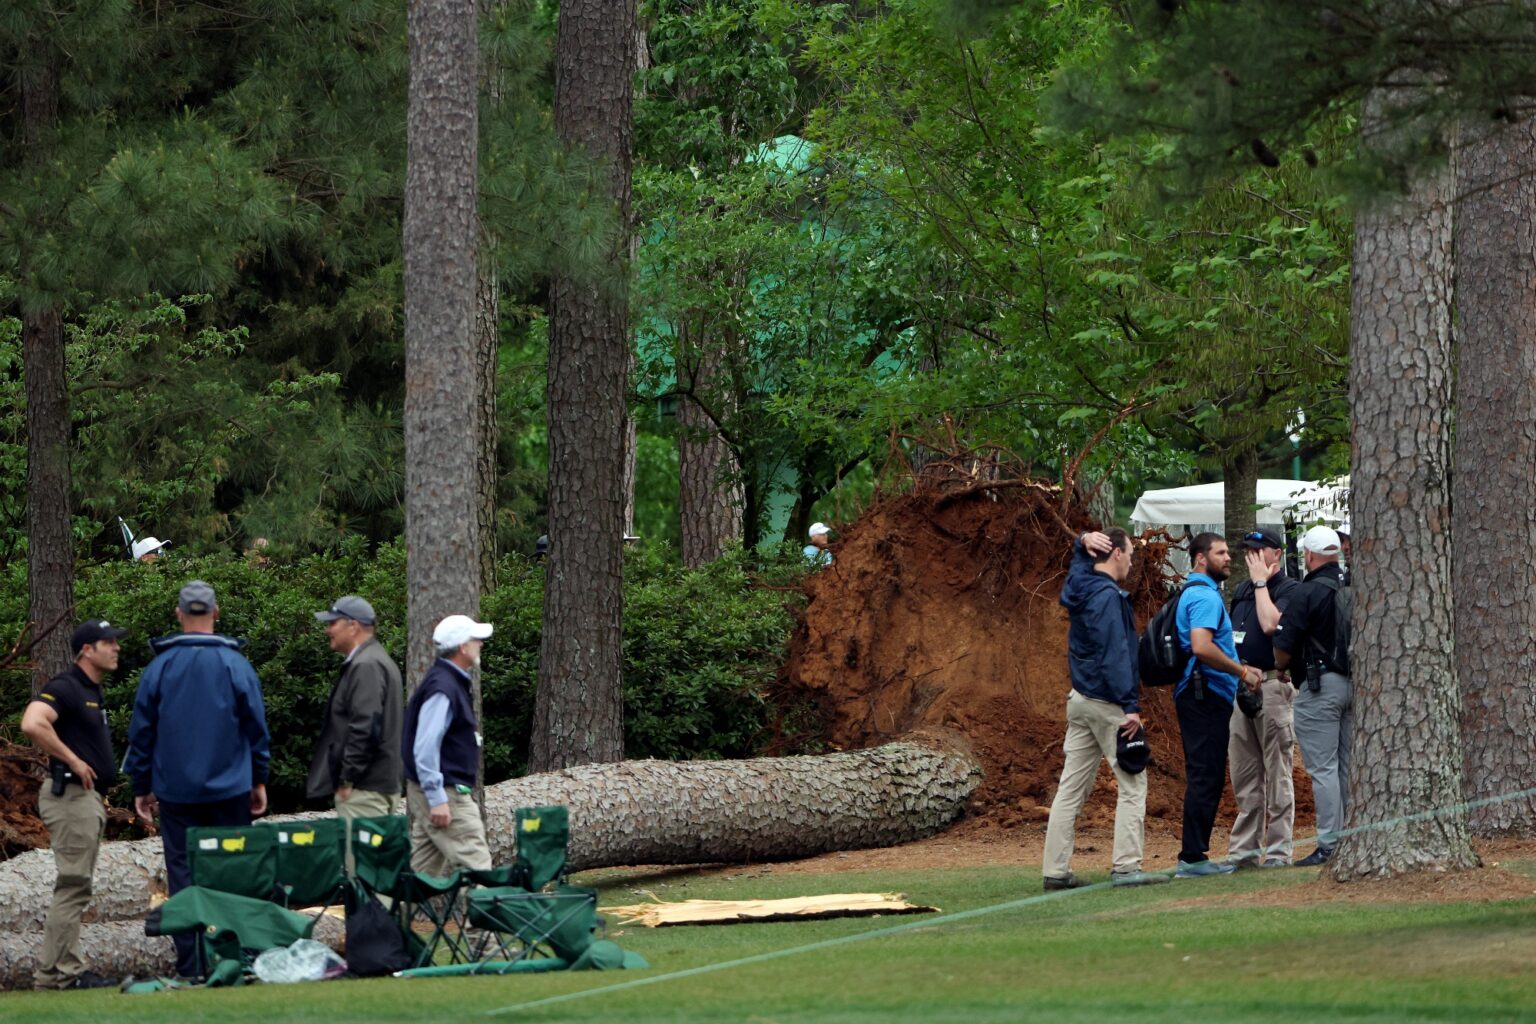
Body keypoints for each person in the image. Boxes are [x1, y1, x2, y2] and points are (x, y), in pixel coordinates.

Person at [123, 580, 271, 980]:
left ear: (178, 615)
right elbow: (256, 728)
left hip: (178, 791)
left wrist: (141, 785)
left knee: (184, 876)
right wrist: (259, 778)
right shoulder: (234, 664)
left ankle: (193, 965)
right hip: (230, 788)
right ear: (216, 613)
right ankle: (235, 960)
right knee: (233, 871)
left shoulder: (161, 667)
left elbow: (142, 733)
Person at [1042, 529, 1168, 890]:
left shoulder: (1082, 586)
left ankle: (1055, 871)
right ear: (1115, 554)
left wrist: (1081, 545)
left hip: (1080, 699)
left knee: (1070, 788)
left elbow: (1076, 575)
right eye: (1129, 553)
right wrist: (1130, 705)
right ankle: (1127, 869)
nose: (1132, 560)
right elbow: (1115, 654)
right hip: (1108, 702)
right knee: (1133, 782)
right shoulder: (1109, 598)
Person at [20, 620, 130, 991]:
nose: (116, 648)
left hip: (86, 799)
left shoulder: (91, 691)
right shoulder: (65, 687)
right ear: (86, 649)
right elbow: (33, 723)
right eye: (108, 642)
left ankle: (50, 976)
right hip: (69, 797)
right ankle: (67, 972)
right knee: (73, 886)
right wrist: (72, 759)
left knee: (76, 886)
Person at [1173, 532, 1264, 879]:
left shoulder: (1198, 593)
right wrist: (1240, 671)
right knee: (1205, 775)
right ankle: (1192, 859)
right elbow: (1201, 646)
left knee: (1206, 774)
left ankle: (1194, 856)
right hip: (1203, 694)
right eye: (1221, 552)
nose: (1228, 558)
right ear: (1200, 558)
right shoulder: (1204, 597)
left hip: (1202, 694)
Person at [1273, 525, 1351, 866]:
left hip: (1320, 686)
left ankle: (1330, 844)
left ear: (1310, 555)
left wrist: (1281, 667)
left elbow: (1282, 650)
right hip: (1355, 686)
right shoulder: (1352, 586)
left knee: (1323, 769)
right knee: (1347, 766)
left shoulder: (1306, 593)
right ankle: (1352, 837)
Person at [1226, 529, 1302, 868]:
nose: (1251, 557)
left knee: (1278, 771)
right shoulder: (1240, 590)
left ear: (1275, 554)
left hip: (1272, 686)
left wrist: (1260, 584)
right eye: (1248, 551)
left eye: (1258, 551)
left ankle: (1278, 851)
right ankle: (1244, 852)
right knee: (1245, 773)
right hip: (1242, 685)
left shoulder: (1289, 589)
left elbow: (1272, 625)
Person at [306, 596, 403, 846]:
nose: (327, 629)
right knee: (376, 871)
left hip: (364, 789)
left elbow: (365, 726)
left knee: (359, 872)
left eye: (332, 623)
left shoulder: (366, 665)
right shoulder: (376, 659)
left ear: (353, 626)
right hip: (376, 785)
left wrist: (347, 778)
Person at [402, 614, 494, 876]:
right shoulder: (443, 687)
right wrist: (437, 796)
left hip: (439, 788)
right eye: (477, 640)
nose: (481, 645)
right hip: (446, 791)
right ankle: (484, 918)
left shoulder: (447, 681)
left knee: (421, 874)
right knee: (478, 868)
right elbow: (425, 746)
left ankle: (384, 916)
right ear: (463, 647)